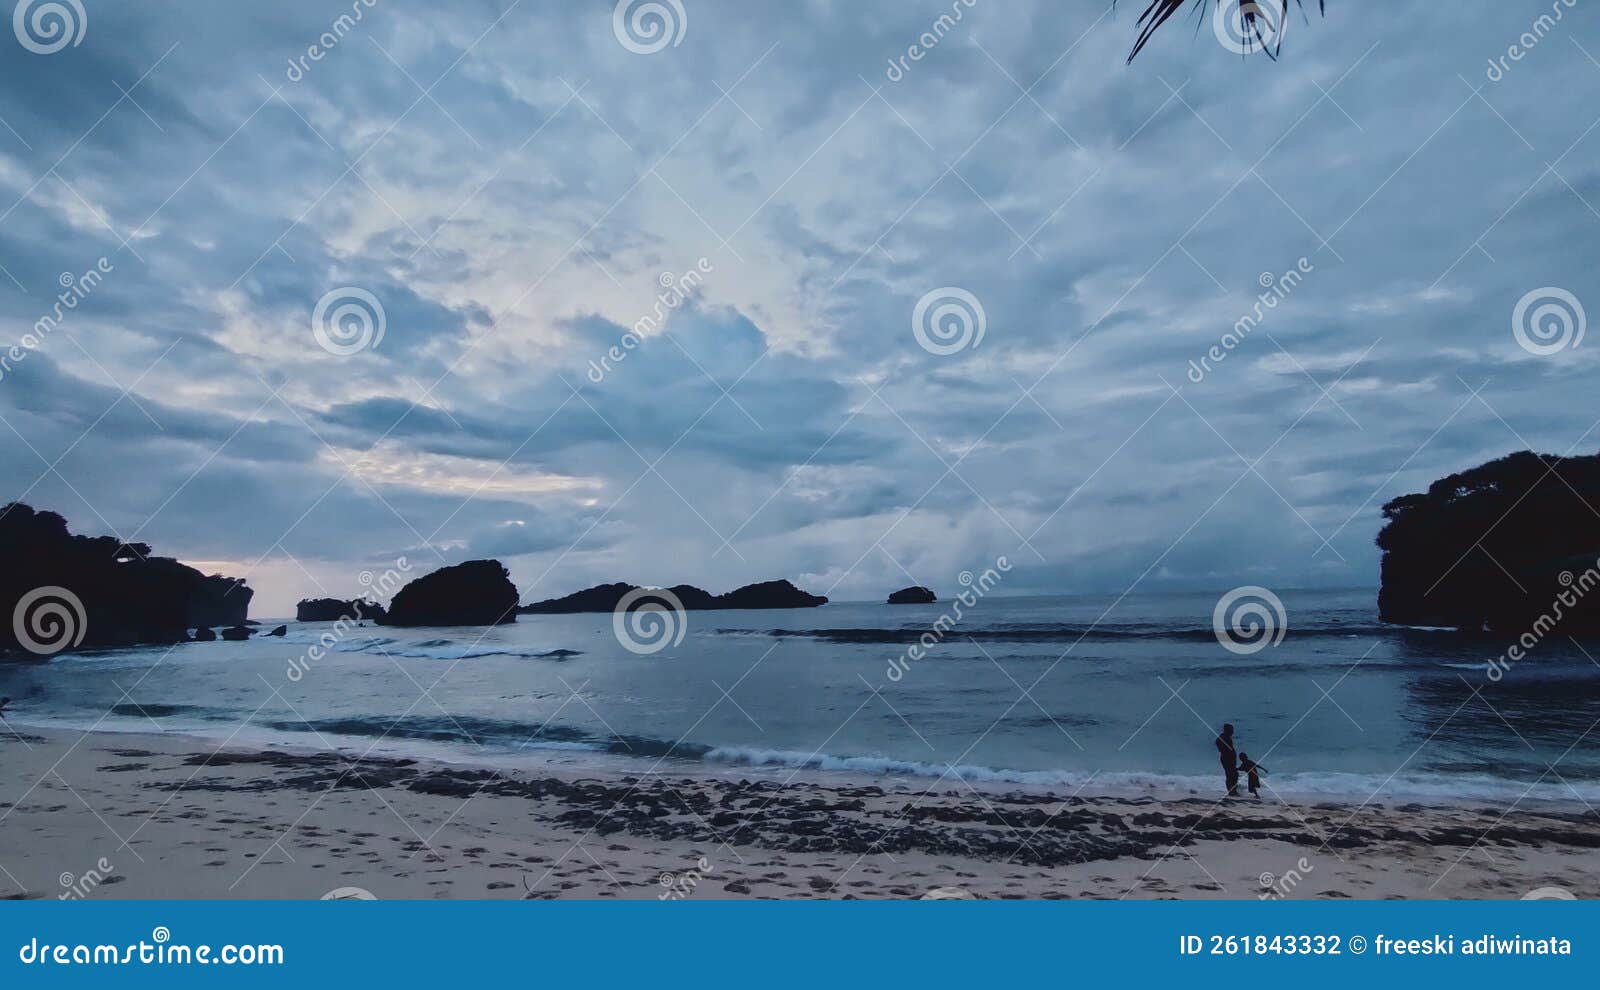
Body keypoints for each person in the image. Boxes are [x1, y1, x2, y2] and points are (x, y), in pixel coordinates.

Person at [1215, 723, 1239, 796]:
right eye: (1231, 730)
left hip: (1228, 758)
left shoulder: (1225, 737)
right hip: (1227, 759)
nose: (1232, 732)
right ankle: (1231, 791)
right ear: (1227, 730)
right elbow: (1222, 748)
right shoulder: (1224, 738)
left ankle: (1232, 791)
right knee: (1231, 775)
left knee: (1233, 774)